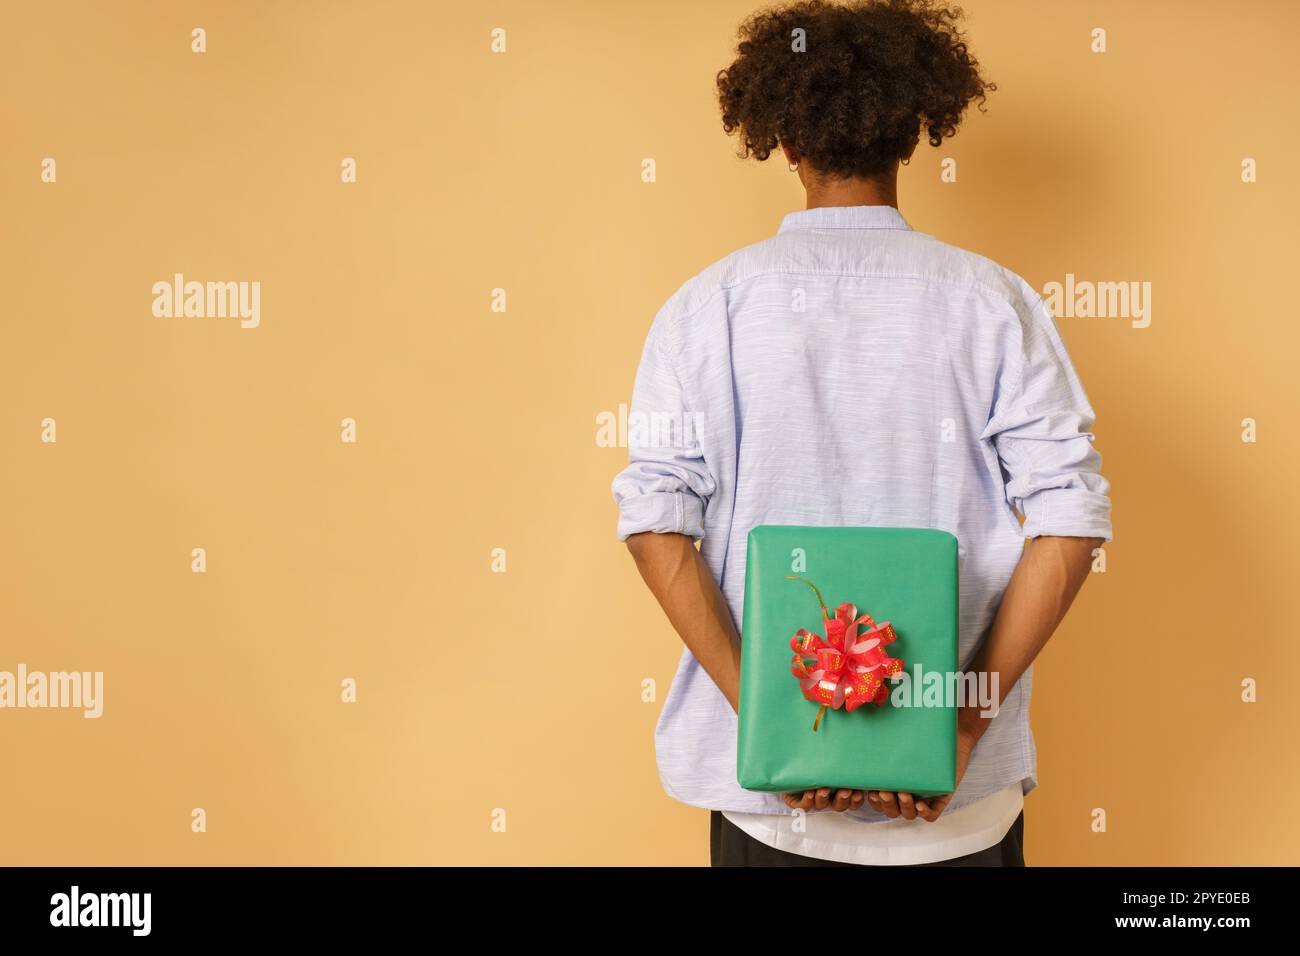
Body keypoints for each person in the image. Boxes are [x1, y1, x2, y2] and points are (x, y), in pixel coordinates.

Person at [611, 0, 1111, 867]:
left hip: (769, 819)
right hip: (959, 817)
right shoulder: (996, 304)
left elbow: (655, 525)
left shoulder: (704, 311)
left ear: (785, 141)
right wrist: (955, 727)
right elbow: (1069, 520)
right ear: (914, 132)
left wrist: (775, 718)